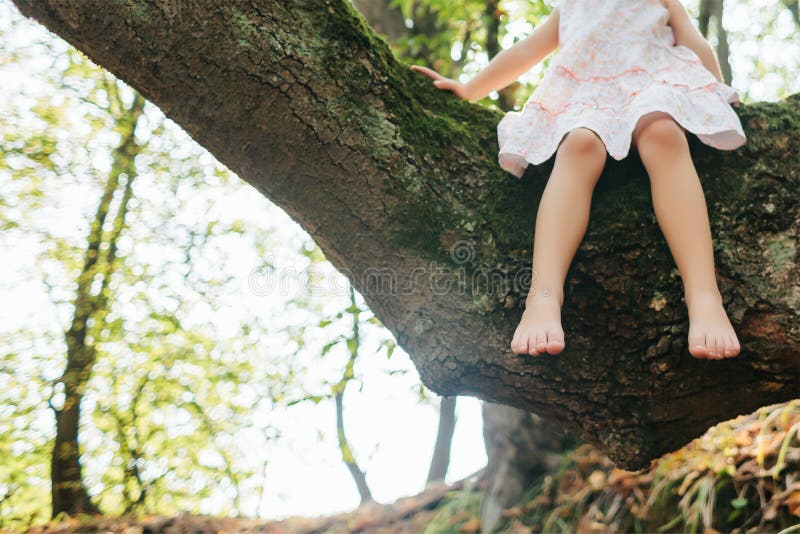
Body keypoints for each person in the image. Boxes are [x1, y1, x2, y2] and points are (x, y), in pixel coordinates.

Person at [410, 0, 747, 360]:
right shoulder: (572, 6)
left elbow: (693, 41)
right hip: (588, 96)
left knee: (663, 134)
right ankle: (543, 297)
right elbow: (526, 51)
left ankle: (704, 296)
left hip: (652, 86)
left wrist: (717, 90)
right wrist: (471, 89)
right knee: (579, 146)